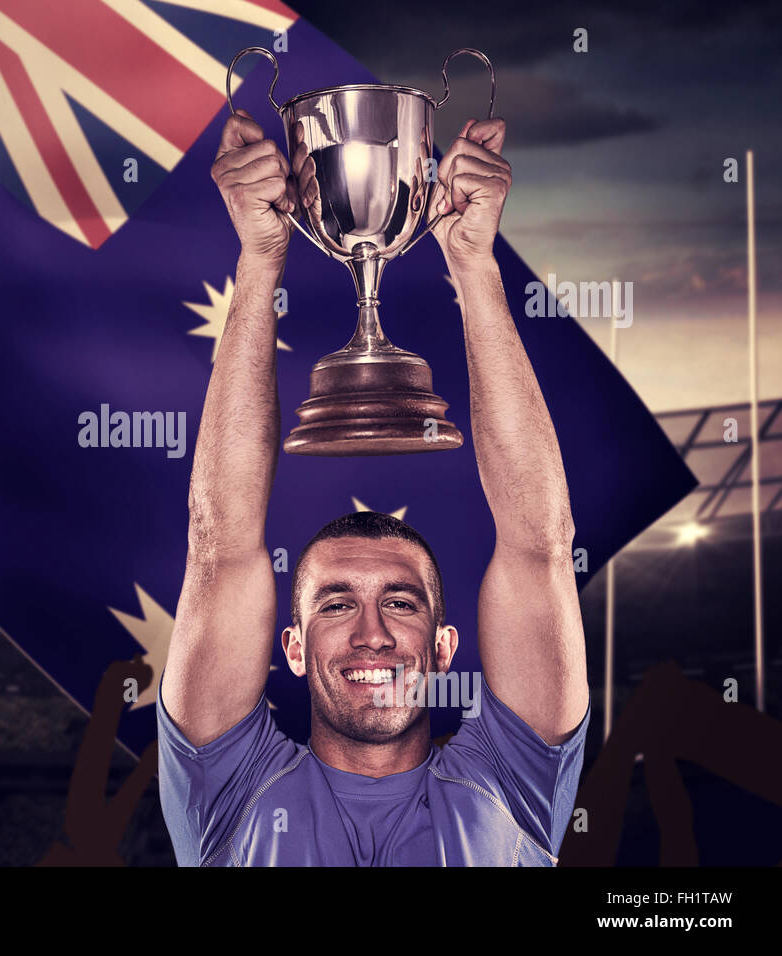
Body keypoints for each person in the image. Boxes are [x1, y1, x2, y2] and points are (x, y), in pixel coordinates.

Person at [156, 109, 591, 866]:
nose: (371, 634)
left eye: (401, 601)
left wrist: (474, 264)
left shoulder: (514, 784)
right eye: (334, 604)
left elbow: (539, 547)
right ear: (289, 647)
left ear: (446, 646)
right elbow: (218, 548)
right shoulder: (224, 791)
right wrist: (261, 261)